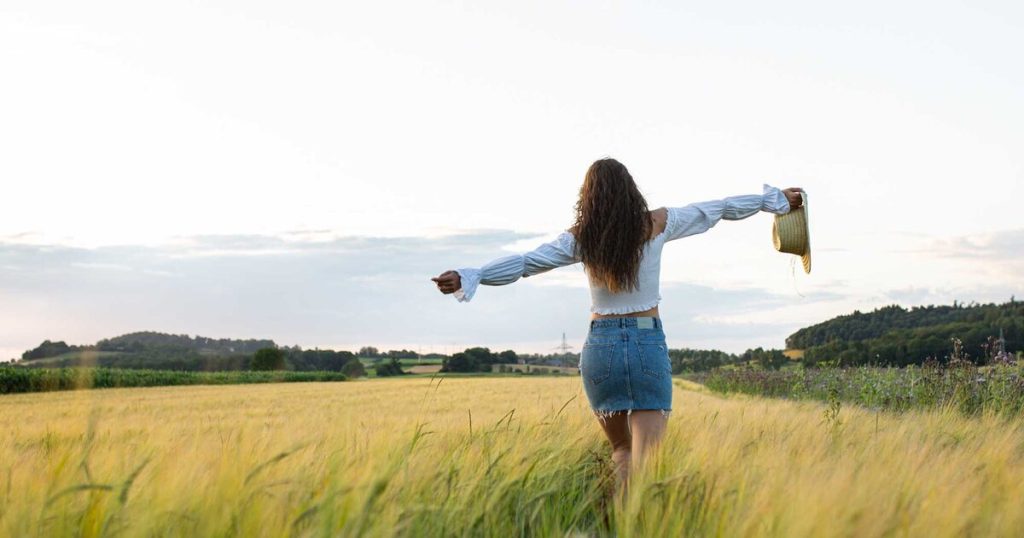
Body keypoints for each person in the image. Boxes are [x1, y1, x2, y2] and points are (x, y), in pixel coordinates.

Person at [431, 158, 802, 491]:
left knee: (622, 453)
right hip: (646, 343)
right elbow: (717, 209)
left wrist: (472, 275)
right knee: (648, 461)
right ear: (631, 191)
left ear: (587, 198)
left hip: (601, 347)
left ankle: (617, 524)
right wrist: (775, 200)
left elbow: (528, 262)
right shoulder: (658, 223)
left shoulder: (581, 240)